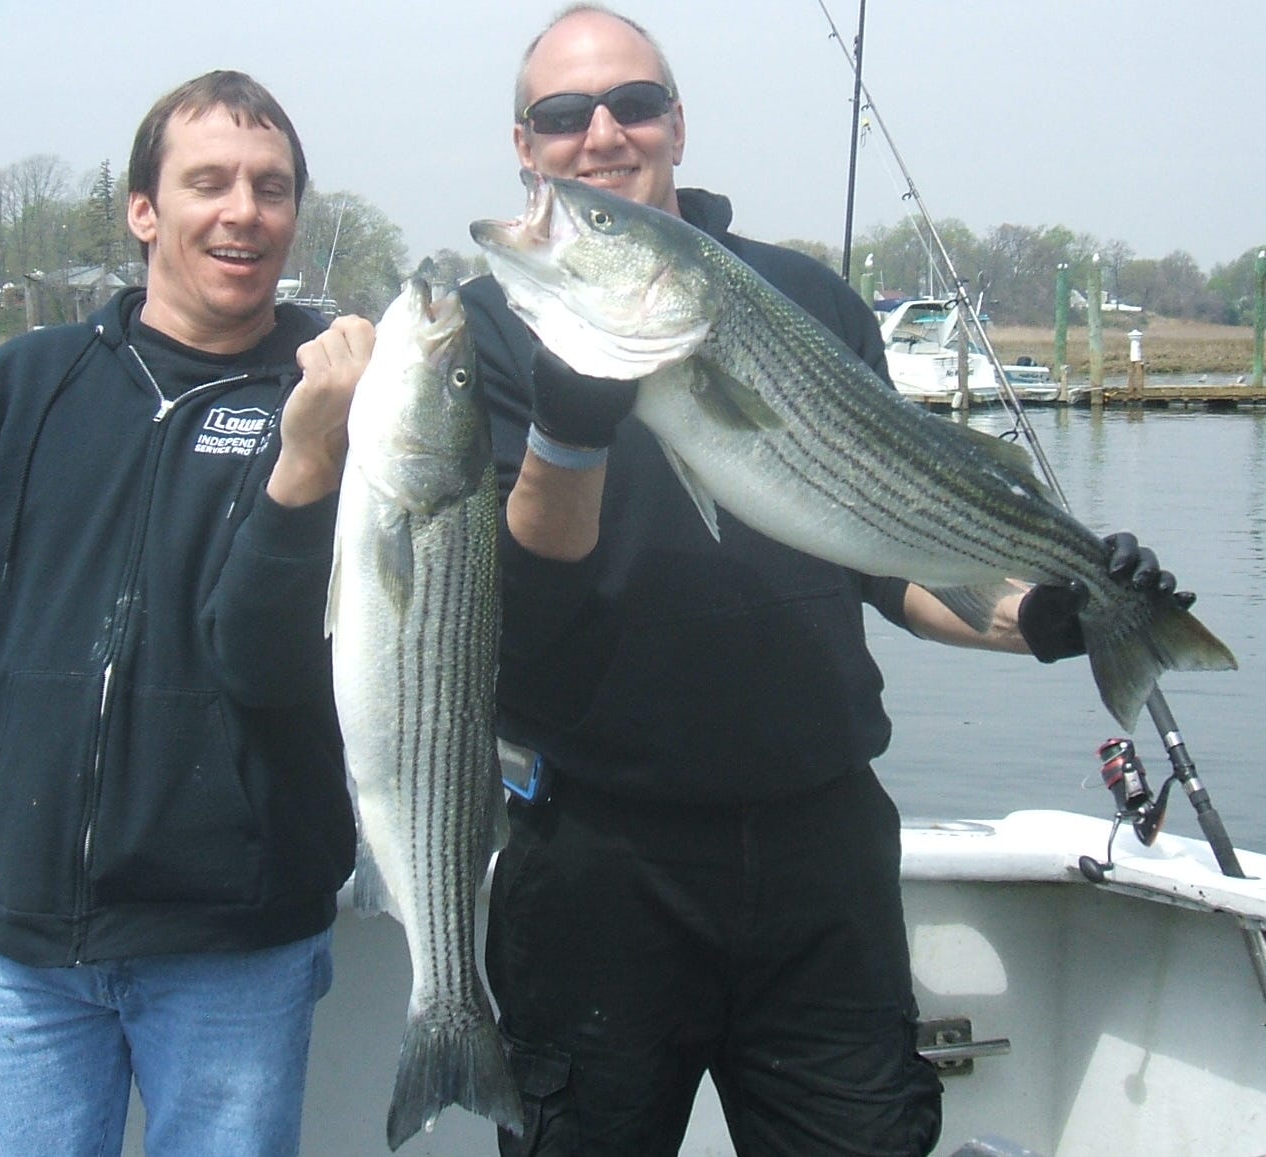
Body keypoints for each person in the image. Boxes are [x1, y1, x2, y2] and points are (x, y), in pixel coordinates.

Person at [460, 7, 1190, 1155]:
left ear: (677, 125)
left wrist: (1043, 614)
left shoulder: (809, 297)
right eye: (562, 115)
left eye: (633, 105)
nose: (601, 135)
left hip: (819, 849)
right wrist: (569, 428)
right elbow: (525, 590)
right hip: (597, 853)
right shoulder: (485, 327)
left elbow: (890, 556)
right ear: (523, 145)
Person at [0, 70, 375, 1156]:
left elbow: (312, 656)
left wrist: (326, 442)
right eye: (208, 182)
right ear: (142, 210)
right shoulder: (24, 386)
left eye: (270, 188)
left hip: (237, 940)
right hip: (22, 945)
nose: (243, 211)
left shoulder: (346, 402)